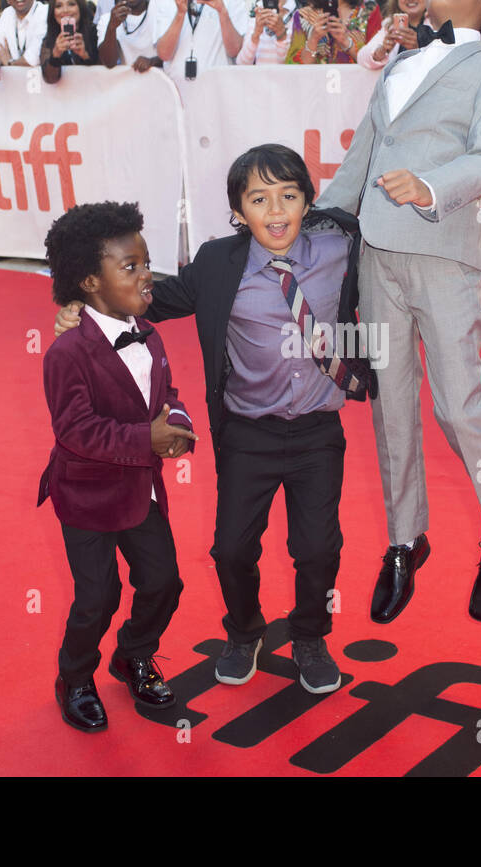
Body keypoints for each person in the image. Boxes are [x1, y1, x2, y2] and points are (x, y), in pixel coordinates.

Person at [54, 145, 375, 694]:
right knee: (231, 549)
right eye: (259, 199)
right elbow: (150, 297)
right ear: (238, 211)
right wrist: (81, 306)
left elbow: (394, 295)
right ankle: (245, 631)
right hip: (247, 432)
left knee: (318, 548)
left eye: (289, 196)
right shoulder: (217, 263)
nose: (276, 210)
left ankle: (310, 636)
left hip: (319, 431)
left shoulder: (342, 249)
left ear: (307, 202)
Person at [317, 0, 481, 625]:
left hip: (442, 254)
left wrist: (431, 185)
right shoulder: (402, 63)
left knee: (458, 408)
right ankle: (405, 540)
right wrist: (310, 230)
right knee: (391, 408)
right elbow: (359, 161)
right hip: (377, 257)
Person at [39, 201, 196, 732]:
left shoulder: (148, 334)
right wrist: (144, 438)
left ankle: (133, 654)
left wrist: (177, 422)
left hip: (140, 488)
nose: (146, 274)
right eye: (129, 267)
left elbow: (166, 393)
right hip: (85, 497)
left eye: (145, 262)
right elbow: (74, 431)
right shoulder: (67, 352)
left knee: (164, 583)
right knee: (97, 598)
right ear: (89, 281)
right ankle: (75, 678)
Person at [98, 0, 162, 71]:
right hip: (128, 86)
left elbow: (177, 52)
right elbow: (109, 62)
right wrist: (111, 27)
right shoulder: (107, 19)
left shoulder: (162, 8)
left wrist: (152, 61)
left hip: (160, 84)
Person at [359, 0, 427, 69]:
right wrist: (381, 51)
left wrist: (417, 49)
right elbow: (361, 58)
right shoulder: (389, 25)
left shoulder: (437, 26)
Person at [40, 0, 98, 83]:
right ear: (53, 12)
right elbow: (50, 79)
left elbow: (104, 72)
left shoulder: (95, 32)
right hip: (63, 96)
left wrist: (85, 56)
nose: (65, 10)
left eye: (71, 4)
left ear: (80, 7)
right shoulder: (49, 38)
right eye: (58, 6)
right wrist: (56, 54)